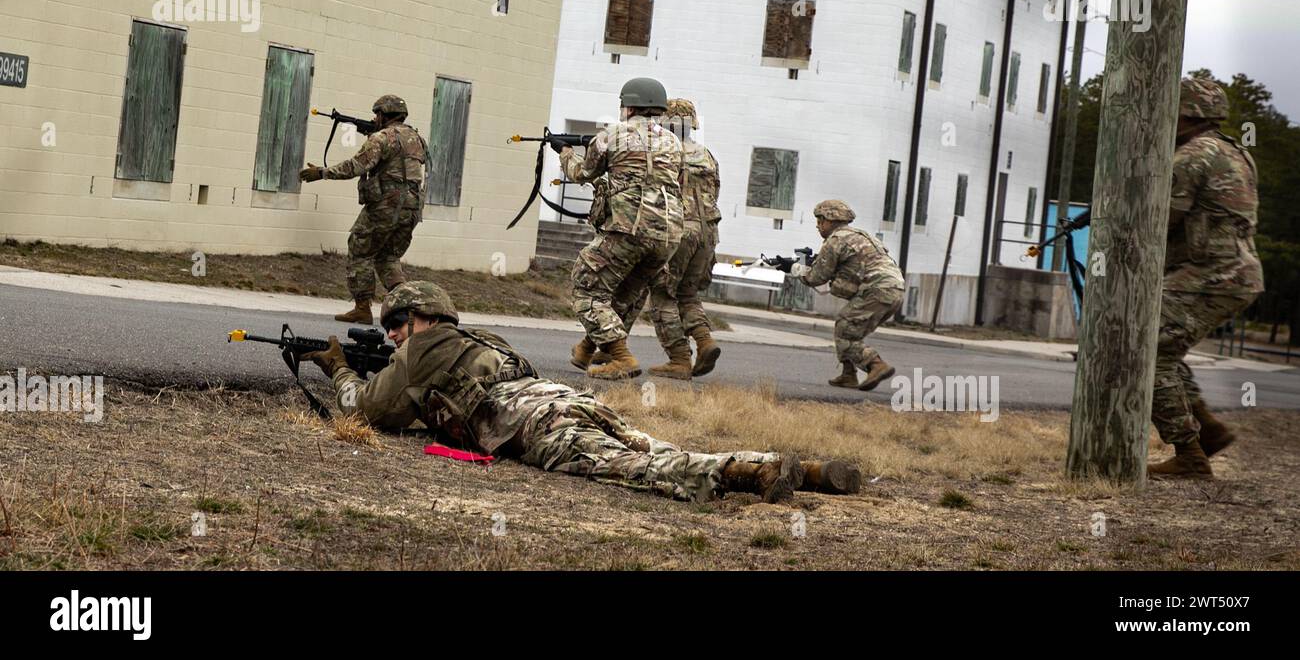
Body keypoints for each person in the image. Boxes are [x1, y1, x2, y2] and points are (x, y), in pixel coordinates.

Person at [301, 281, 863, 502]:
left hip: (530, 421)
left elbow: (368, 412)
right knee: (648, 448)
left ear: (419, 317)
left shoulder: (418, 350)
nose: (393, 336)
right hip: (560, 397)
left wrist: (339, 370)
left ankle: (753, 473)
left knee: (632, 470)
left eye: (396, 324)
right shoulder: (478, 338)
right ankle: (800, 469)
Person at [1147, 76, 1264, 480]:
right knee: (1164, 350)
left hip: (1212, 274)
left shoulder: (1191, 156)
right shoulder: (1236, 152)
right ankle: (1207, 433)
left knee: (1141, 350)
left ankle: (1190, 455)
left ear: (1183, 112)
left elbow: (1159, 222)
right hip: (1236, 273)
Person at [558, 78, 684, 380]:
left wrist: (563, 152)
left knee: (586, 287)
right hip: (668, 235)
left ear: (628, 105)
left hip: (629, 229)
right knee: (623, 293)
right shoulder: (674, 142)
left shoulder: (610, 137)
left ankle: (622, 358)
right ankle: (587, 350)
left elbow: (582, 172)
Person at [299, 95, 428, 325]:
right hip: (411, 208)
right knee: (388, 257)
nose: (373, 118)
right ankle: (406, 309)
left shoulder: (382, 137)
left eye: (376, 114)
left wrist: (322, 172)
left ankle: (362, 308)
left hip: (386, 205)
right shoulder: (416, 138)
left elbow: (356, 166)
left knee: (360, 250)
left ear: (382, 115)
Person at [771, 199, 904, 391]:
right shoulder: (862, 236)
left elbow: (816, 277)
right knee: (850, 330)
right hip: (895, 289)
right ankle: (848, 375)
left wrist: (792, 268)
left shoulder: (835, 240)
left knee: (844, 327)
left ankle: (876, 365)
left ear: (831, 220)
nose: (818, 226)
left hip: (877, 289)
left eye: (820, 221)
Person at [645, 98, 724, 379]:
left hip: (679, 230)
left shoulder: (665, 152)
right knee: (687, 293)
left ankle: (679, 359)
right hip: (708, 232)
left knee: (663, 293)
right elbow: (715, 192)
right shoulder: (706, 155)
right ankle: (705, 341)